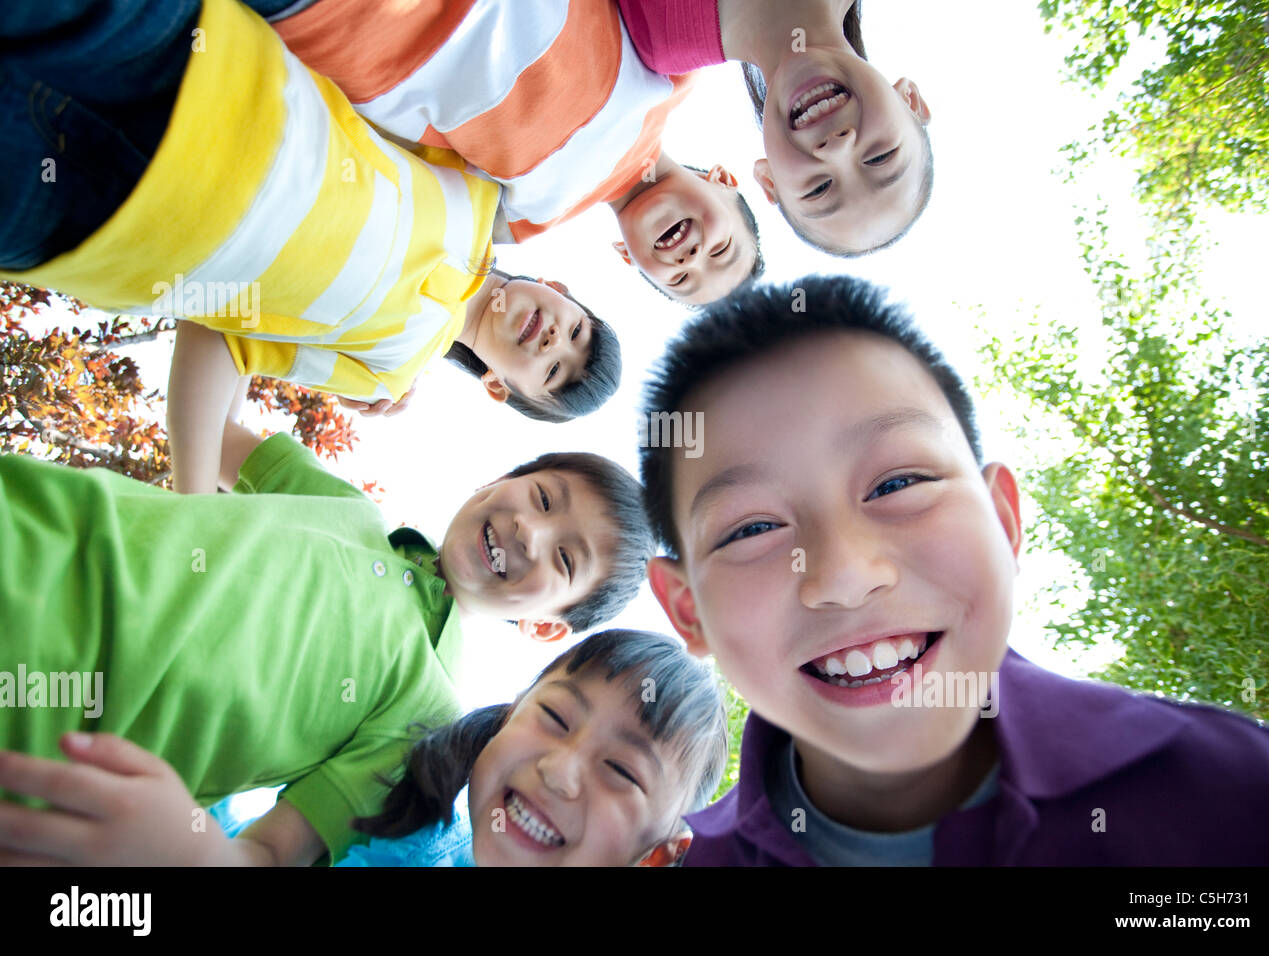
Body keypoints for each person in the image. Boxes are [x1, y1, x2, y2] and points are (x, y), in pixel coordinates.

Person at [637, 274, 1269, 865]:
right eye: (752, 529)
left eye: (897, 483)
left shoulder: (1257, 796)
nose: (844, 574)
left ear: (1005, 522)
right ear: (687, 609)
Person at [0, 0, 621, 493]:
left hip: (101, 229)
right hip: (197, 65)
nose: (553, 342)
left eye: (553, 372)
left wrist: (188, 506)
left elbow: (223, 336)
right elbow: (371, 73)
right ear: (561, 292)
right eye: (576, 332)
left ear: (498, 388)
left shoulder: (387, 371)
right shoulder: (481, 190)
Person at [0, 419, 654, 866]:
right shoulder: (345, 505)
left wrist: (178, 850)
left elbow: (266, 853)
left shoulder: (422, 721)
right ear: (496, 484)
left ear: (546, 625)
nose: (529, 531)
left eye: (565, 560)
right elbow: (215, 402)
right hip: (28, 521)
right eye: (542, 498)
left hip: (37, 743)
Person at [261, 0, 763, 306]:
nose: (693, 259)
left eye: (680, 279)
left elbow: (408, 223)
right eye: (721, 251)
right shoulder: (672, 76)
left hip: (342, 31)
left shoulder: (524, 223)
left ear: (627, 260)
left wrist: (395, 369)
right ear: (724, 179)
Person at [338, 629, 728, 867]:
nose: (559, 771)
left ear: (657, 856)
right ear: (509, 716)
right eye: (555, 718)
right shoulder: (405, 838)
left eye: (621, 770)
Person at [619, 0, 933, 256]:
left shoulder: (660, 40)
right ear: (910, 100)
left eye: (819, 188)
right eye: (880, 157)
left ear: (769, 181)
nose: (836, 148)